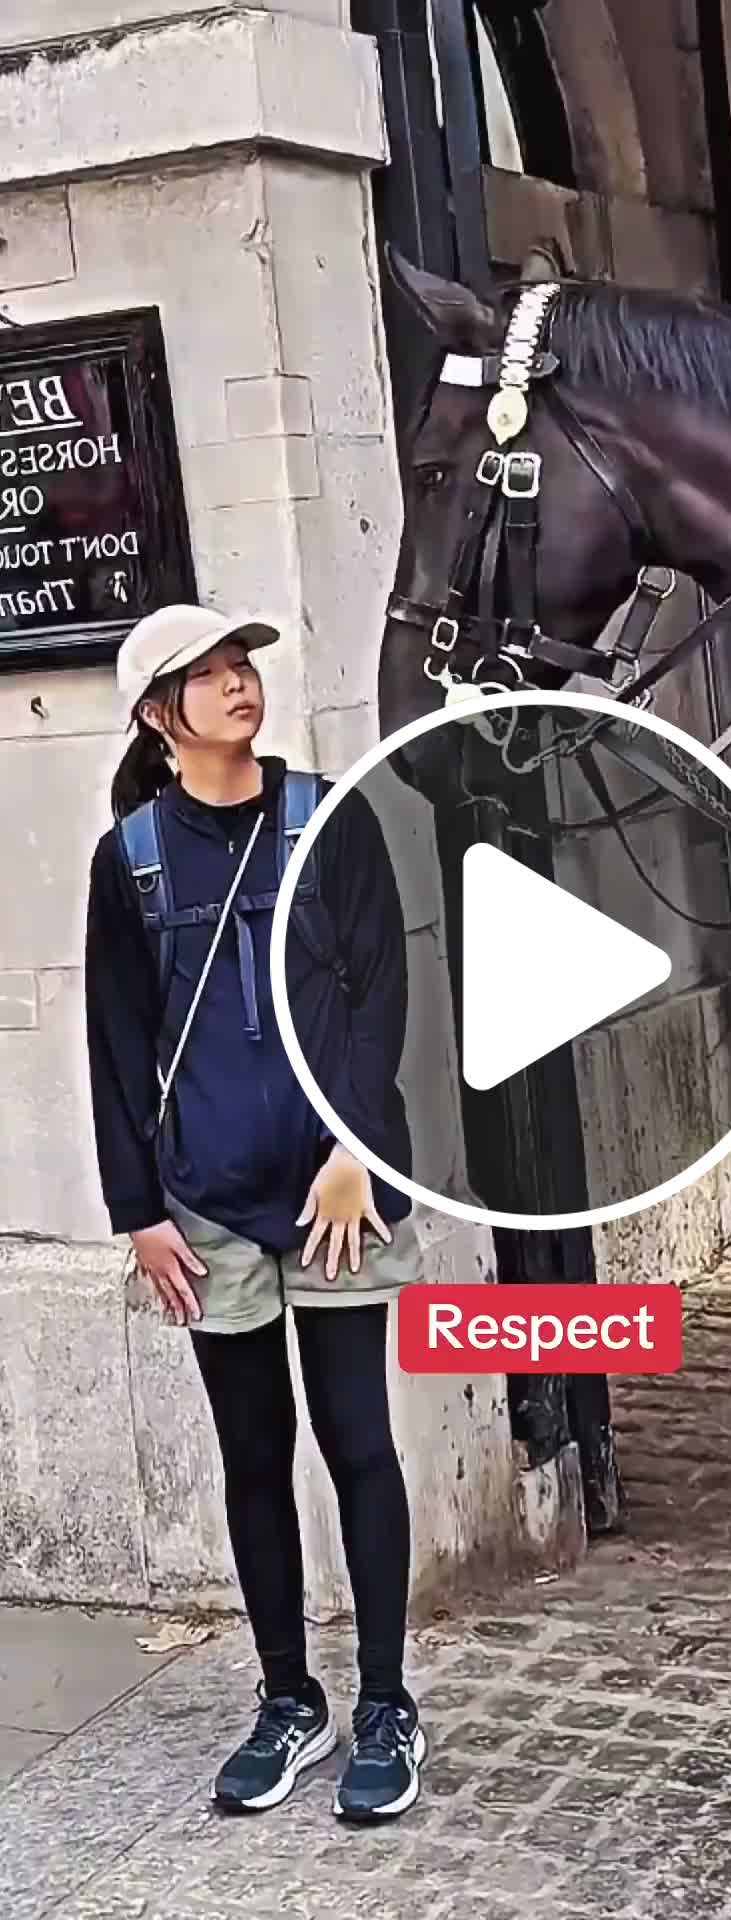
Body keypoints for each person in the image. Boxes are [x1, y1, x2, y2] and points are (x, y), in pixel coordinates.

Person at [84, 603, 427, 1823]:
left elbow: (385, 998)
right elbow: (116, 1046)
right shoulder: (128, 859)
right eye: (209, 676)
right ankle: (289, 1698)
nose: (240, 687)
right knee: (252, 1459)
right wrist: (140, 1211)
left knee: (359, 1444)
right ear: (156, 715)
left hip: (336, 1196)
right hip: (208, 1206)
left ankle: (387, 1703)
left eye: (243, 667)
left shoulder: (329, 819)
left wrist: (354, 1151)